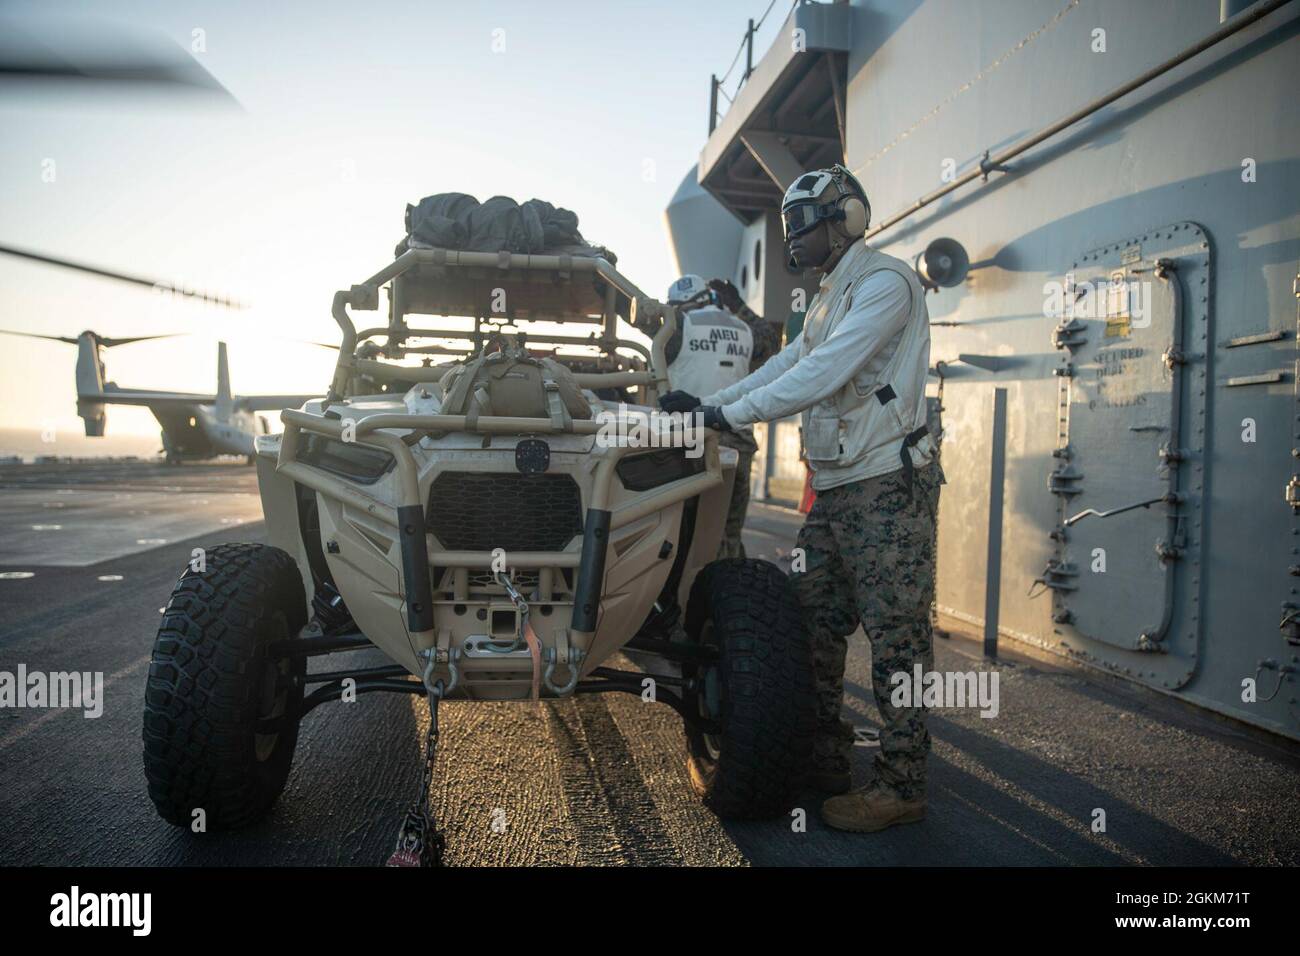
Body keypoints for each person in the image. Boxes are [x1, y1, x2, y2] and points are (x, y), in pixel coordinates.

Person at [662, 164, 943, 833]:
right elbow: (785, 365)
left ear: (846, 219)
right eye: (788, 222)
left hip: (885, 486)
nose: (793, 234)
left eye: (804, 221)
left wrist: (728, 416)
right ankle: (826, 758)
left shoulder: (884, 283)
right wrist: (708, 406)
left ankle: (902, 783)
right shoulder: (826, 298)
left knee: (897, 637)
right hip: (838, 489)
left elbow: (821, 373)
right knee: (814, 624)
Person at [654, 273, 782, 558]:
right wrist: (739, 306)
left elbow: (642, 318)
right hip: (738, 443)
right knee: (728, 530)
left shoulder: (677, 328)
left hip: (688, 443)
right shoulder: (745, 330)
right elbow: (771, 340)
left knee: (682, 528)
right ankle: (729, 585)